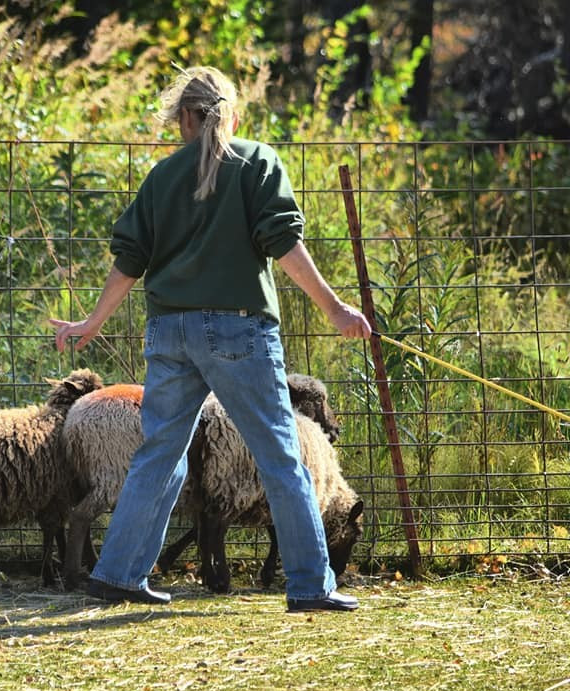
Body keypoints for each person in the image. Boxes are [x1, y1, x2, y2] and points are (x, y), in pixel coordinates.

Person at [50, 66, 371, 612]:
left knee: (159, 455)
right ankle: (311, 585)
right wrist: (335, 308)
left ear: (184, 118)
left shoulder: (161, 176)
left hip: (169, 332)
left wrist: (92, 322)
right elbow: (284, 246)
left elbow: (129, 262)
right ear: (232, 114)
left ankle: (119, 575)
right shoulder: (257, 161)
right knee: (280, 456)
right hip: (238, 330)